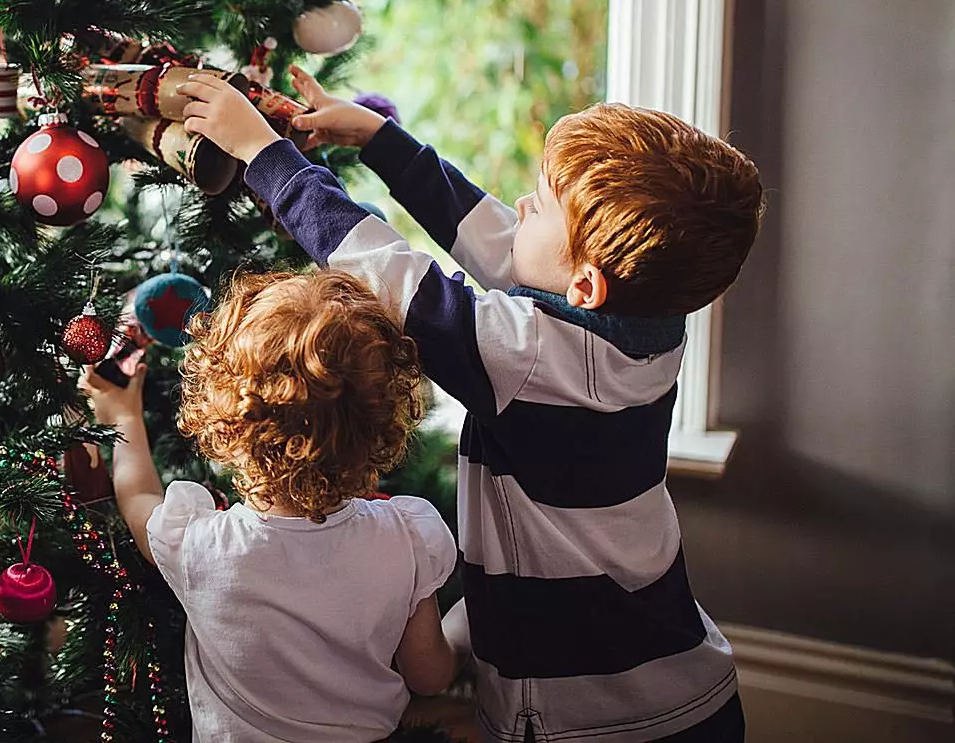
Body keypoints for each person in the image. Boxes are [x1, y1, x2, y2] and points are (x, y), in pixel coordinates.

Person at [175, 67, 765, 743]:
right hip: (682, 684)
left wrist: (264, 156)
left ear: (586, 283)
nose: (518, 204)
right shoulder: (644, 327)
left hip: (597, 716)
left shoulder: (531, 360)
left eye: (538, 206)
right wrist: (380, 140)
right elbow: (494, 239)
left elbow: (391, 275)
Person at [81, 268, 458, 743]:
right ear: (379, 423)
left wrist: (123, 415)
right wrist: (464, 630)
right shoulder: (407, 537)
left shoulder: (202, 545)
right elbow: (429, 675)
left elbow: (138, 496)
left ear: (228, 425)